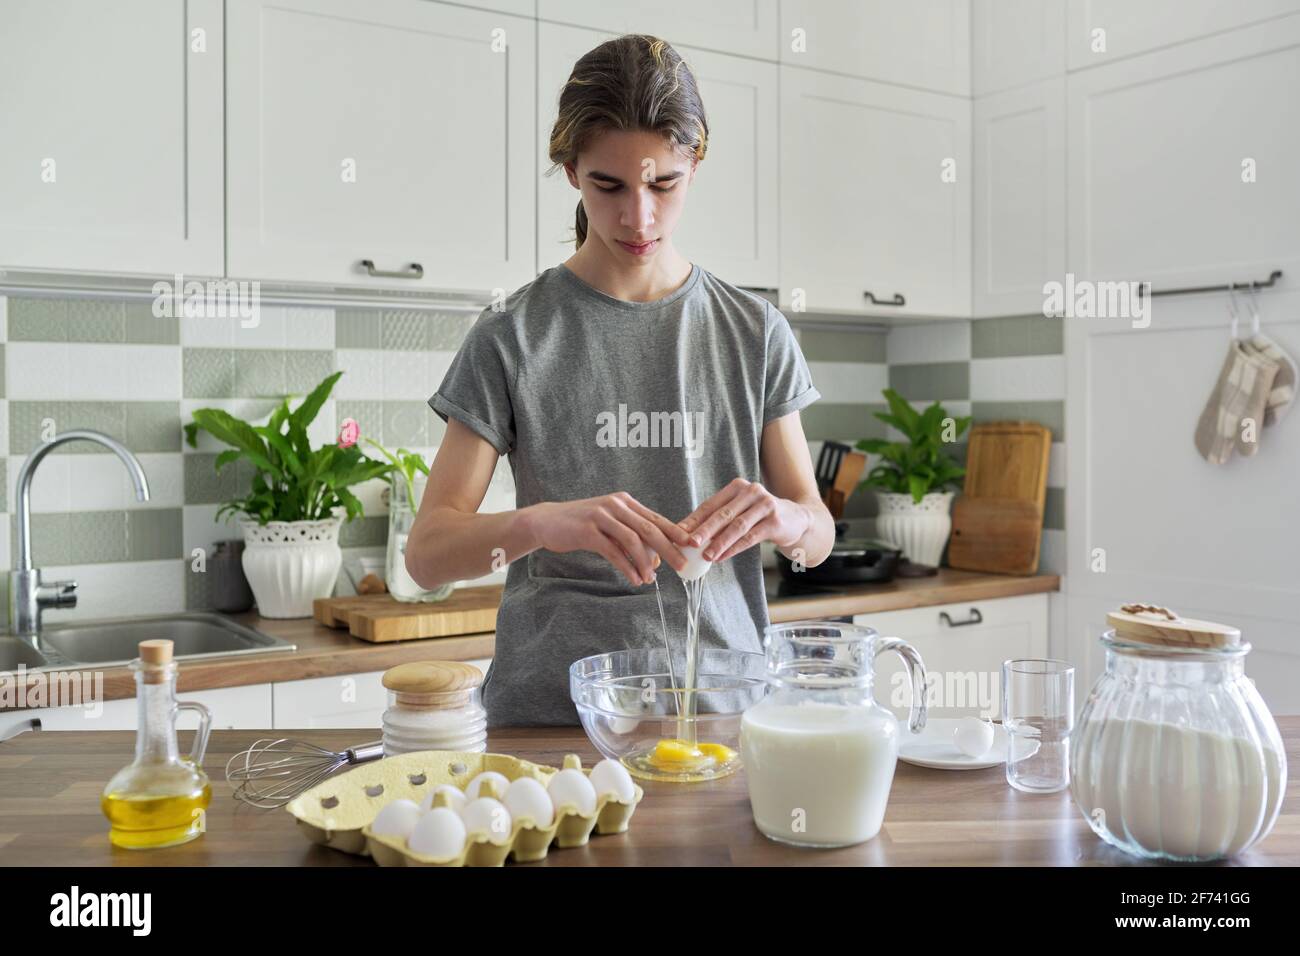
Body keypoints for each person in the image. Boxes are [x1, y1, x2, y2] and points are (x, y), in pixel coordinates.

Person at [406, 34, 834, 727]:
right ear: (572, 171)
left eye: (664, 184)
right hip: (550, 722)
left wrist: (783, 519)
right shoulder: (511, 334)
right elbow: (427, 558)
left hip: (719, 715)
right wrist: (543, 523)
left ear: (695, 164)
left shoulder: (755, 333)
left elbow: (817, 533)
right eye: (610, 186)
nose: (639, 217)